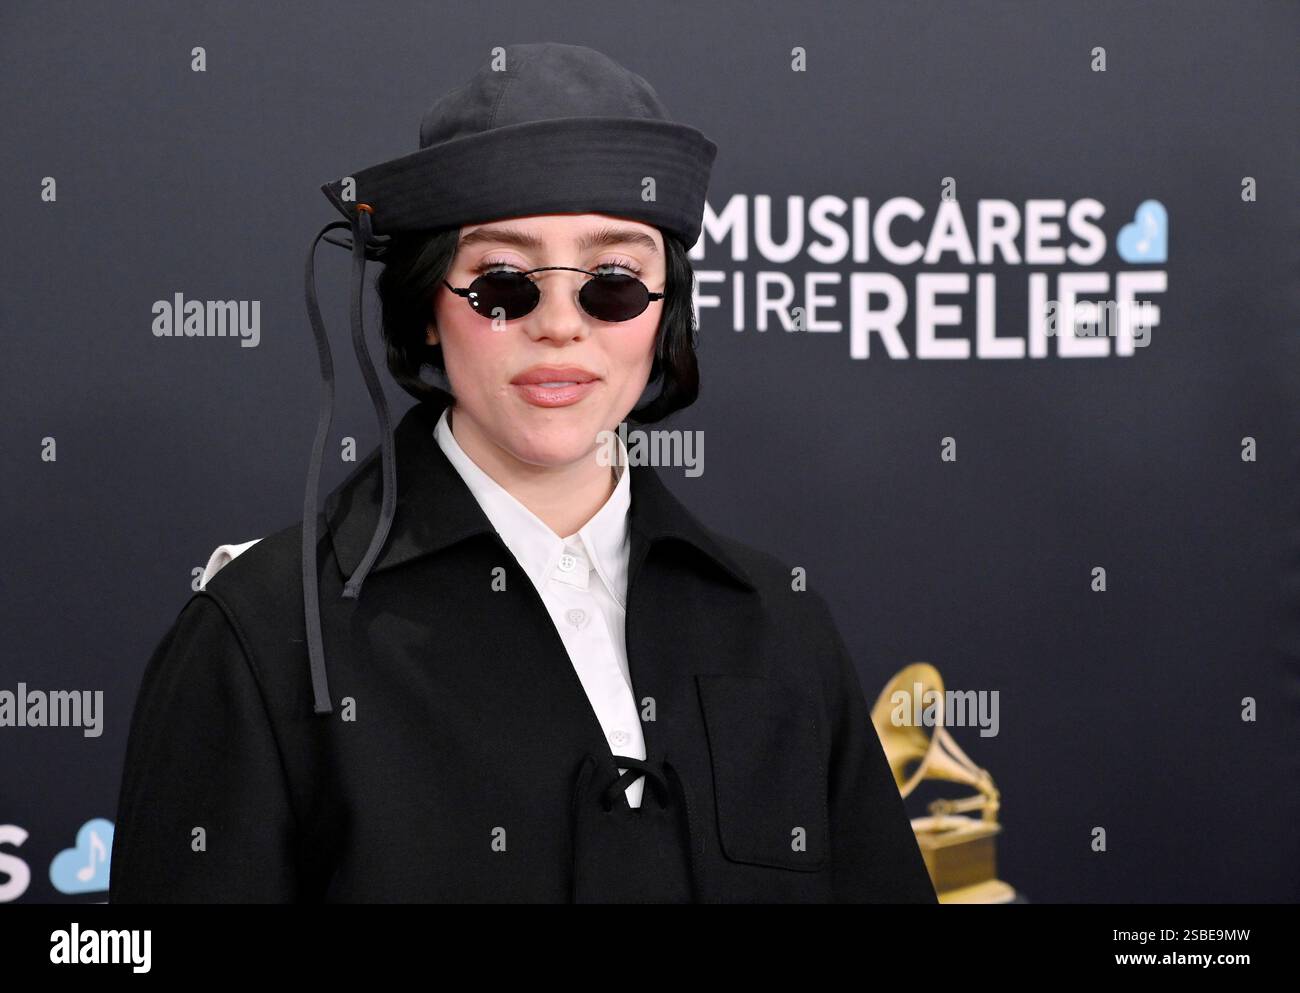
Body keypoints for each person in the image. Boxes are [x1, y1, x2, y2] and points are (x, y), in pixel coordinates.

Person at [108, 42, 937, 904]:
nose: (560, 326)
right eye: (503, 284)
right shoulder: (266, 633)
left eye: (612, 283)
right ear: (428, 308)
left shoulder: (779, 622)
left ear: (666, 312)